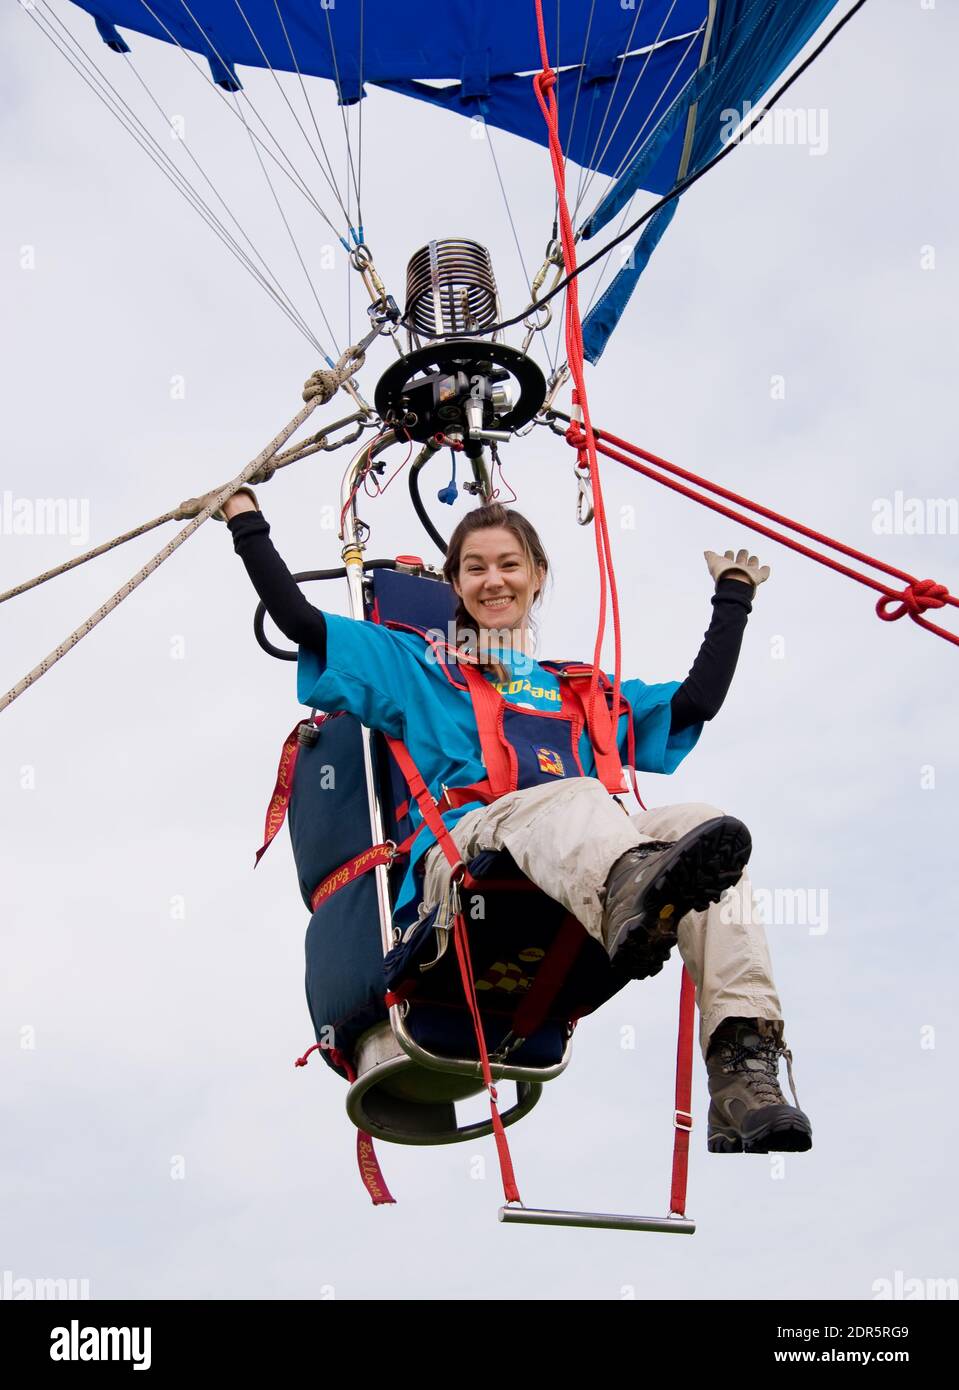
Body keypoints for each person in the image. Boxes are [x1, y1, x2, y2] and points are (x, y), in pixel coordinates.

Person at [222, 487, 812, 1155]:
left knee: (705, 829)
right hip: (465, 870)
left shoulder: (576, 687)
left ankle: (741, 1065)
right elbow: (301, 621)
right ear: (455, 582)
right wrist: (246, 519)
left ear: (536, 574)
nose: (492, 580)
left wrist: (732, 599)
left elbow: (692, 704)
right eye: (473, 567)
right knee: (572, 796)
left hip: (574, 874)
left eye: (507, 564)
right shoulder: (417, 664)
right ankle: (626, 893)